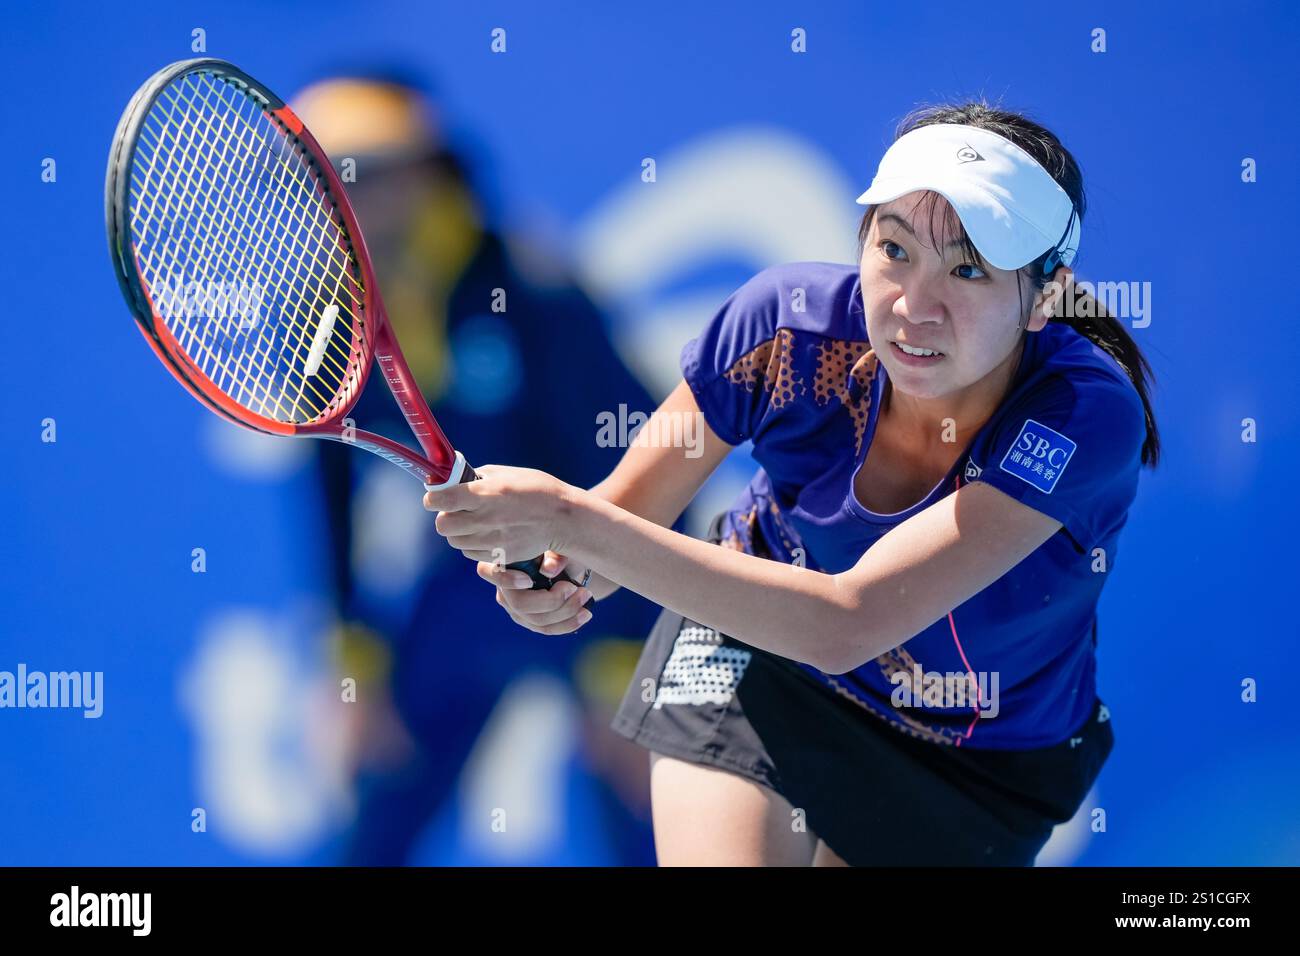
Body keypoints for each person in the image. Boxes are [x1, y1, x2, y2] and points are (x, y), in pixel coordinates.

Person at [422, 101, 1161, 866]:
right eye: (895, 250)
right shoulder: (782, 329)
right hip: (752, 657)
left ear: (1047, 295)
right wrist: (559, 573)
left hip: (973, 753)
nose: (915, 305)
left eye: (969, 269)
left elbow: (851, 624)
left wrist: (570, 521)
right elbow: (618, 520)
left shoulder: (1081, 415)